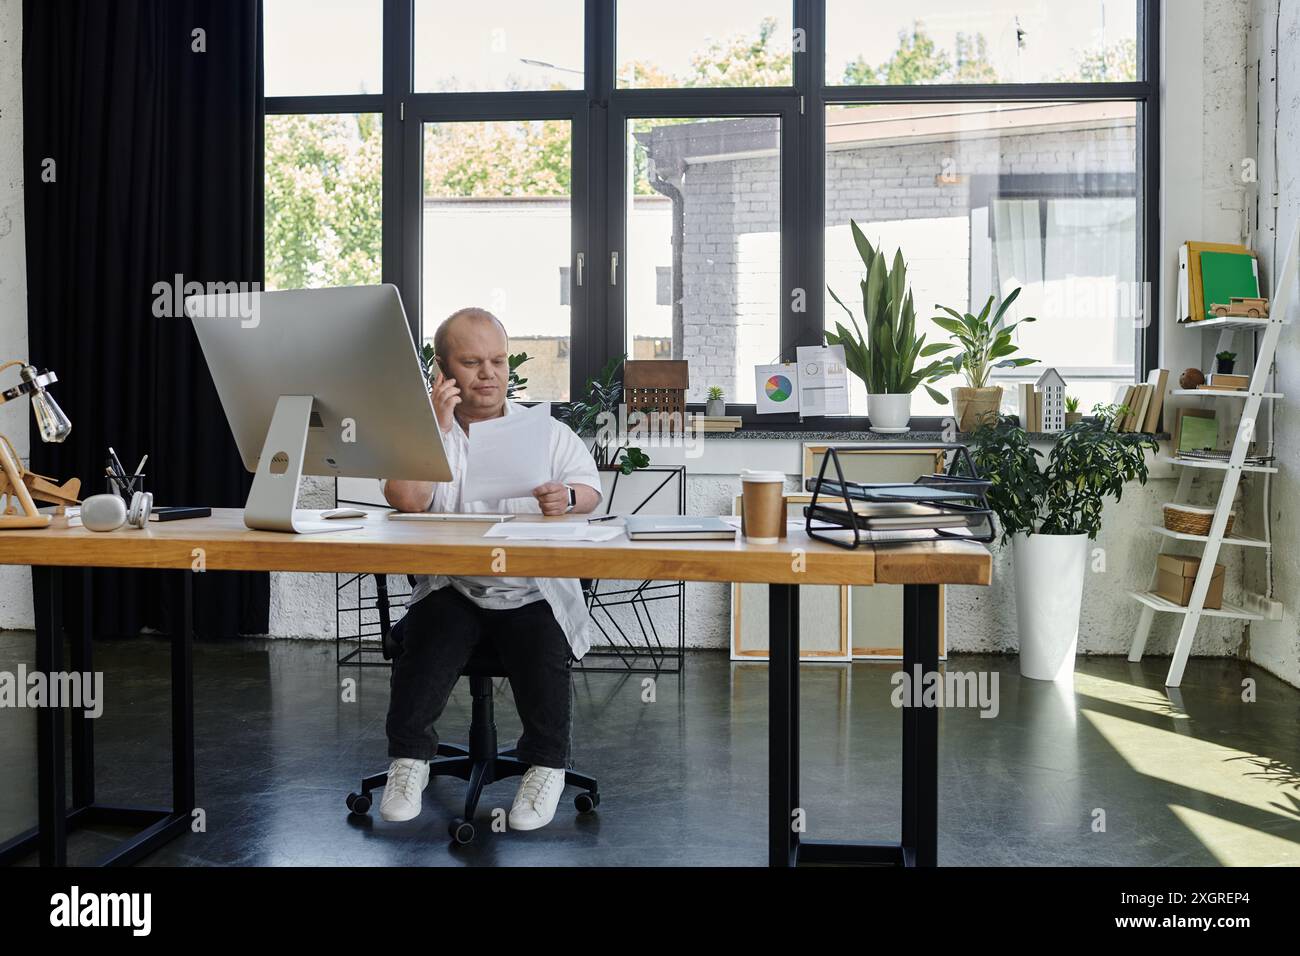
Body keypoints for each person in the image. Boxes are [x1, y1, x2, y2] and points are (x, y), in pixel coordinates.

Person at [380, 307, 602, 831]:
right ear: (443, 369)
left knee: (543, 643)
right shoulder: (426, 431)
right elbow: (406, 500)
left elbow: (590, 491)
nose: (489, 374)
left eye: (498, 360)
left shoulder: (543, 431)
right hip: (455, 586)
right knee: (430, 632)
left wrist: (567, 497)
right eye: (473, 362)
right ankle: (409, 761)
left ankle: (546, 766)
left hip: (530, 588)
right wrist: (434, 426)